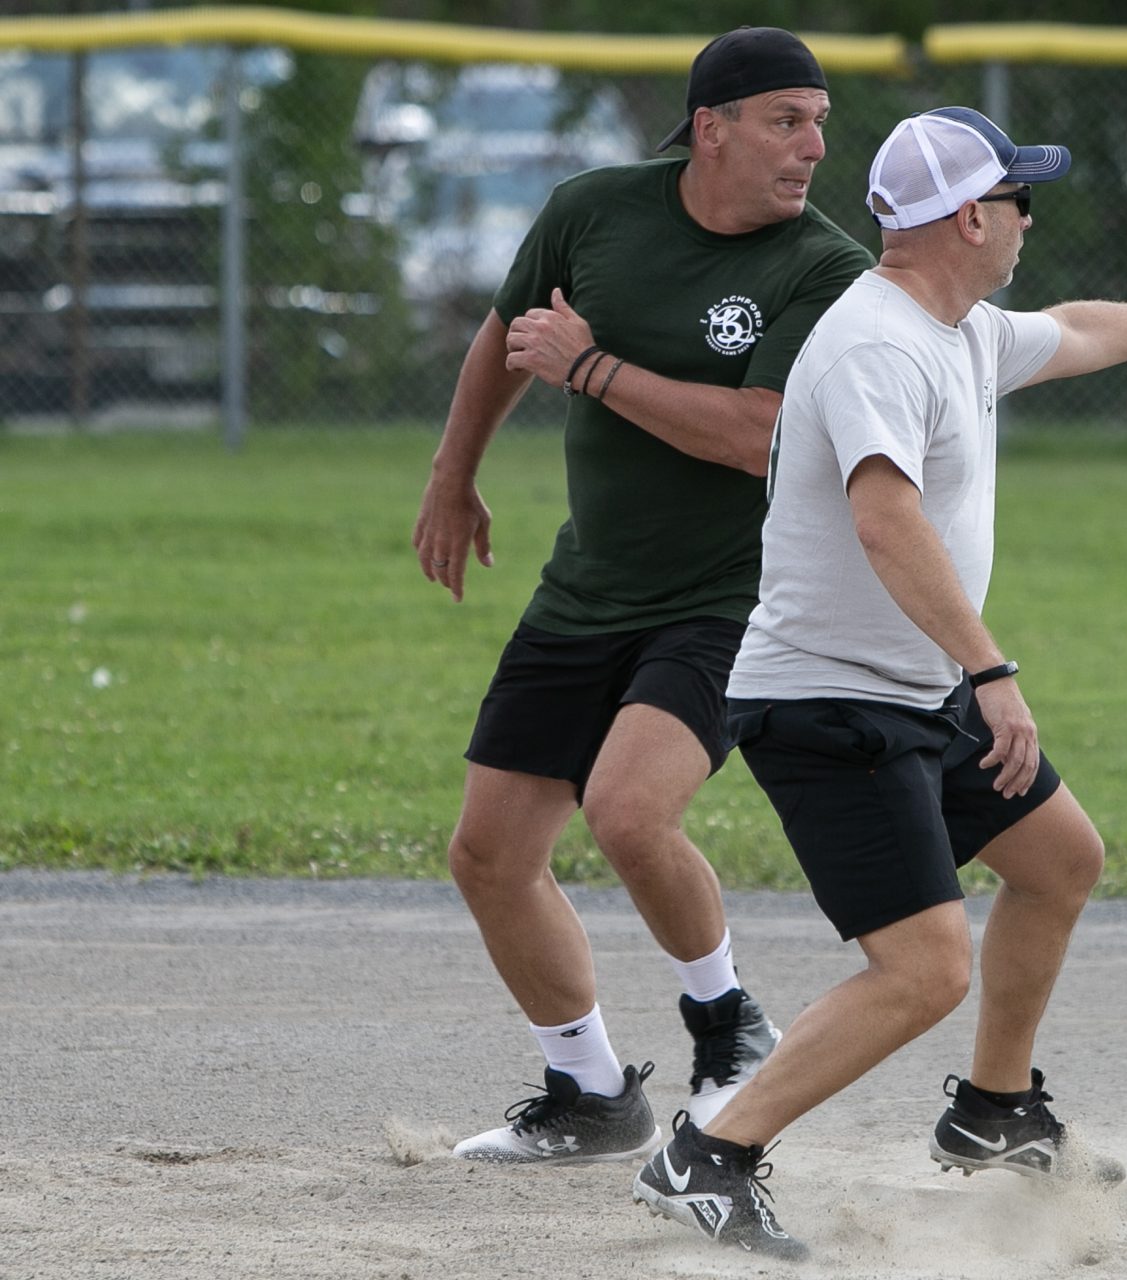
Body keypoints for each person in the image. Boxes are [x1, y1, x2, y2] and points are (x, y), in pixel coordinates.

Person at [632, 105, 1127, 1258]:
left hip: (911, 689)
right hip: (829, 700)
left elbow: (1074, 331)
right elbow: (883, 516)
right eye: (1020, 197)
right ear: (970, 216)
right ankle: (709, 1150)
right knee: (922, 967)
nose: (1027, 217)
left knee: (1059, 857)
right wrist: (992, 670)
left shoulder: (958, 326)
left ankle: (993, 1114)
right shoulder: (878, 341)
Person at [409, 27, 873, 1165]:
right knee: (489, 854)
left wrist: (593, 369)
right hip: (588, 585)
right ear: (709, 128)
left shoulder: (822, 268)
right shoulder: (594, 209)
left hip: (731, 595)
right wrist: (452, 473)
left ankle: (727, 1020)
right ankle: (590, 1090)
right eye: (786, 119)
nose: (814, 144)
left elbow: (759, 437)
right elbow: (506, 338)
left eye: (819, 120)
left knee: (627, 809)